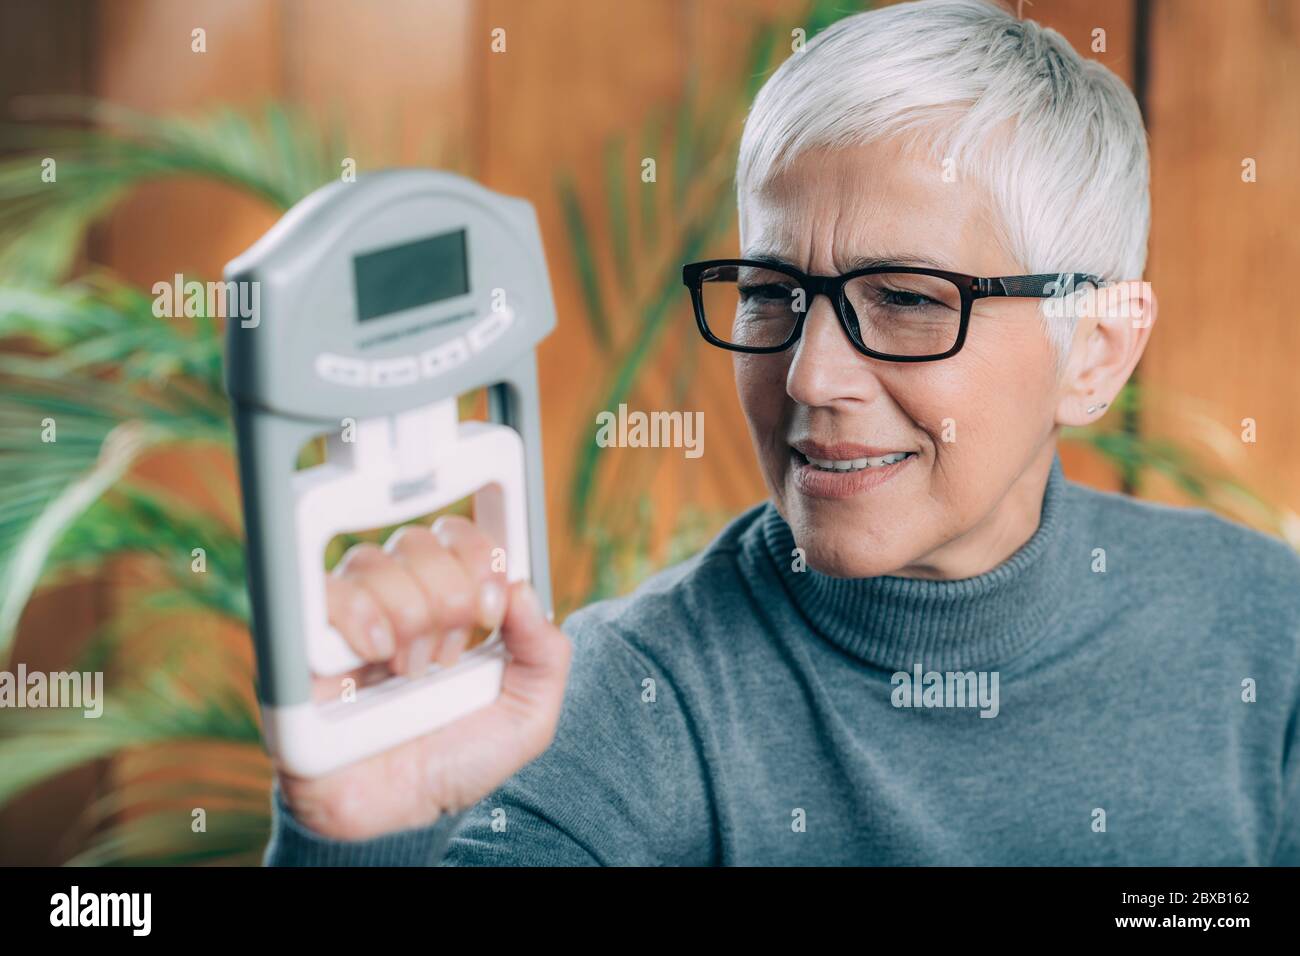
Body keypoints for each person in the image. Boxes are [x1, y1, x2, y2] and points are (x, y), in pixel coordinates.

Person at [265, 0, 1300, 865]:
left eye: (903, 296)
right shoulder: (634, 694)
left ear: (1097, 353)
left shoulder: (1268, 631)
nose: (809, 375)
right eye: (772, 292)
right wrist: (366, 836)